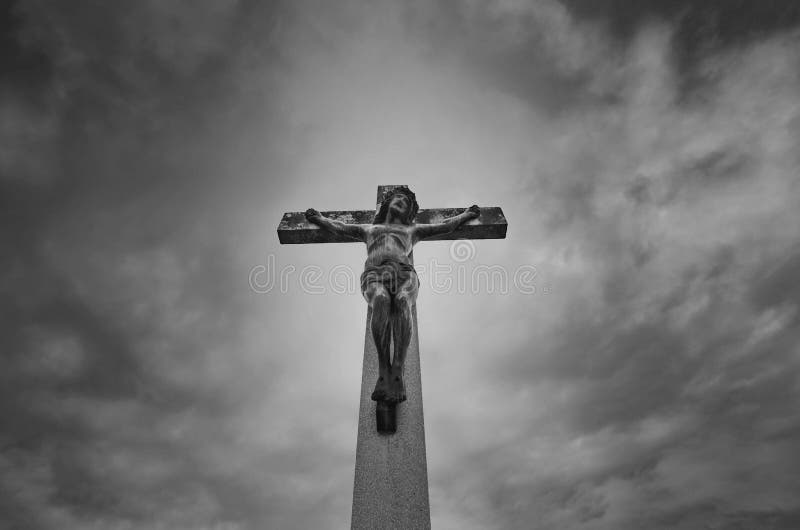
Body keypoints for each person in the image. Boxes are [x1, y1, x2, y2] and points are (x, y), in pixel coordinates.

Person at [305, 187, 480, 403]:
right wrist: (321, 219)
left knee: (402, 301)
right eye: (398, 198)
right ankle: (383, 367)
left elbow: (444, 226)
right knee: (380, 299)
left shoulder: (412, 231)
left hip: (403, 272)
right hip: (375, 273)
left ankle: (398, 369)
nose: (401, 202)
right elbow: (341, 227)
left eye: (406, 203)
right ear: (387, 204)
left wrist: (465, 215)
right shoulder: (369, 229)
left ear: (409, 212)